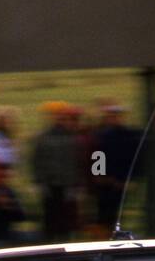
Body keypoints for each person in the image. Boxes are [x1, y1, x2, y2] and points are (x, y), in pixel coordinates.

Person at [32, 102, 80, 241]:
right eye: (58, 117)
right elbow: (37, 160)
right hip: (50, 184)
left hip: (69, 184)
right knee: (50, 219)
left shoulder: (75, 137)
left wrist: (78, 184)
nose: (61, 120)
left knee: (68, 219)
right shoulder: (43, 137)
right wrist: (40, 181)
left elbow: (82, 161)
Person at [89, 101, 139, 237]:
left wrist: (130, 178)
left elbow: (132, 157)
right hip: (105, 183)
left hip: (122, 181)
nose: (114, 118)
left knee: (118, 213)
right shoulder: (100, 135)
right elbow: (97, 155)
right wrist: (100, 176)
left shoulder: (127, 135)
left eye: (116, 115)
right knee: (103, 214)